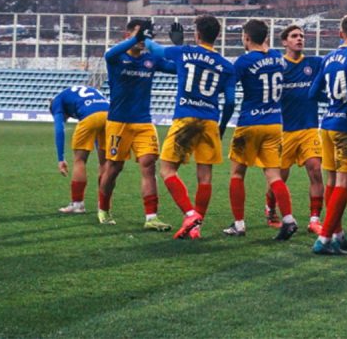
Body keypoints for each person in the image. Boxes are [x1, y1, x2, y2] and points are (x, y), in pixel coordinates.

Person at [144, 16, 236, 240]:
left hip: (186, 118)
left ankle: (190, 214)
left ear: (197, 34)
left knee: (167, 170)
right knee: (205, 177)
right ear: (218, 35)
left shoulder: (184, 52)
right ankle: (196, 228)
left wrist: (143, 36)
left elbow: (156, 51)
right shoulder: (227, 66)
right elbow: (231, 102)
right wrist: (222, 126)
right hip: (210, 121)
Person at [224, 19, 298, 241]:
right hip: (274, 123)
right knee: (274, 175)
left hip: (250, 122)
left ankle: (239, 224)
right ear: (266, 37)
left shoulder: (243, 61)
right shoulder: (277, 57)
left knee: (237, 173)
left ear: (246, 37)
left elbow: (229, 88)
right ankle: (288, 219)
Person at [98, 20, 173, 231]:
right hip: (118, 122)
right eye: (139, 34)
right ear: (128, 34)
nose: (143, 39)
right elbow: (108, 55)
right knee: (114, 168)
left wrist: (179, 48)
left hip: (143, 122)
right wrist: (136, 38)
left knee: (149, 165)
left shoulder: (151, 59)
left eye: (146, 35)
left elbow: (178, 69)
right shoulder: (116, 57)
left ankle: (151, 217)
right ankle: (103, 208)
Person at [310, 15, 347, 255]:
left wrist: (333, 100)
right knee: (345, 184)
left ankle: (337, 234)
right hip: (346, 126)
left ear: (341, 33)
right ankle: (324, 239)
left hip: (327, 125)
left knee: (332, 182)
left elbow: (313, 92)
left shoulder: (328, 57)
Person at [258, 25, 325, 235]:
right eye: (294, 36)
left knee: (316, 170)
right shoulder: (278, 65)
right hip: (284, 131)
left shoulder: (314, 63)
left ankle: (314, 219)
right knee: (280, 178)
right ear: (284, 41)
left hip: (309, 128)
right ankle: (270, 208)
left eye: (302, 36)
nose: (299, 39)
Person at [49, 85, 109, 214]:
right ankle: (103, 206)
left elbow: (59, 129)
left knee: (79, 160)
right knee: (104, 163)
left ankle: (77, 205)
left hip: (90, 116)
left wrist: (61, 159)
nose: (66, 119)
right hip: (110, 115)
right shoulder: (75, 94)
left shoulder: (57, 101)